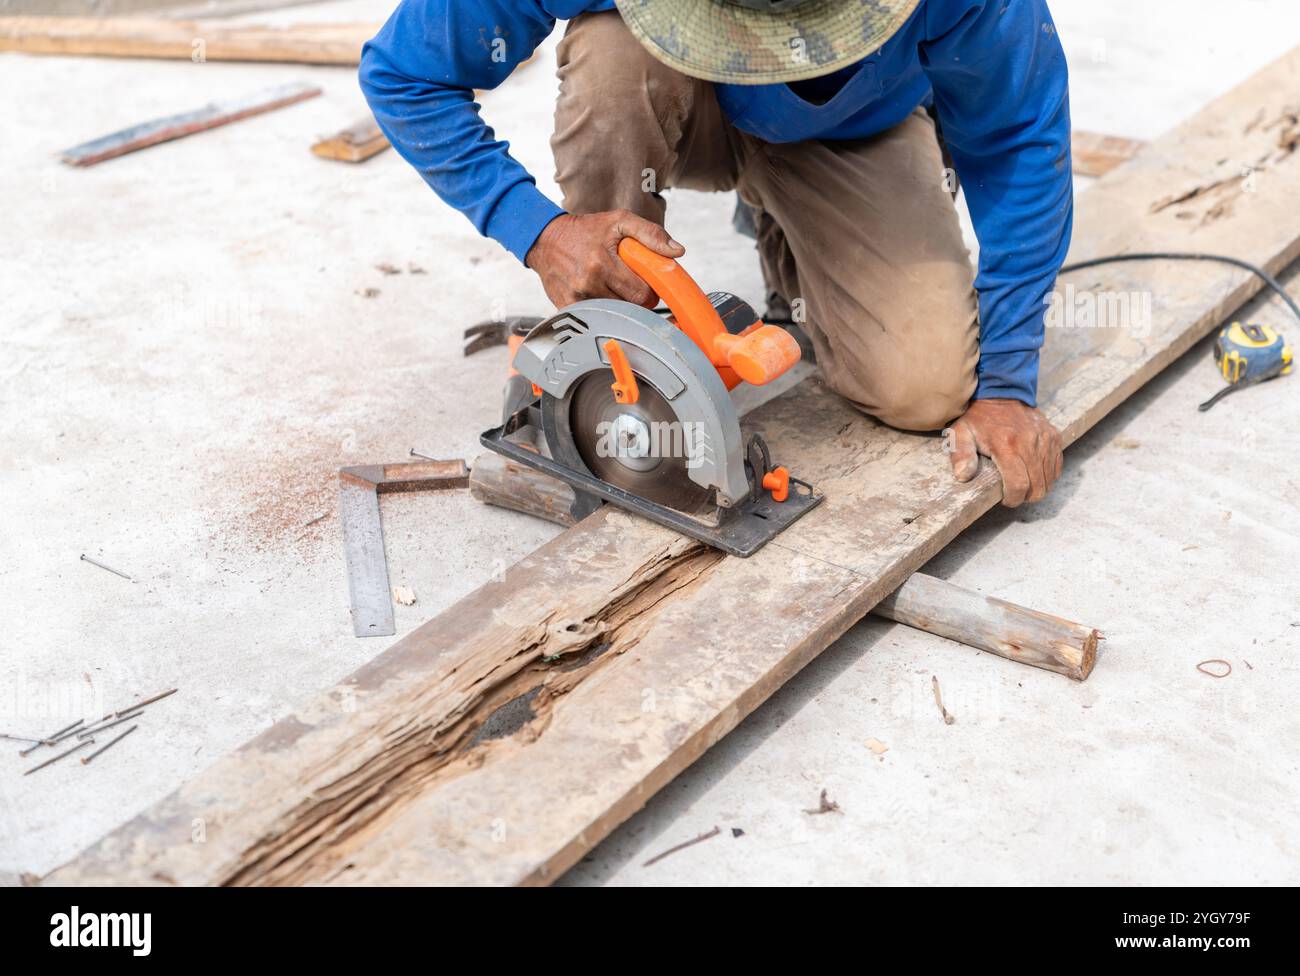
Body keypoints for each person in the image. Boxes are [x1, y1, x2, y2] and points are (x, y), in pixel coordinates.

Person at [360, 0, 1071, 506]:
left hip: (852, 128)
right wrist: (541, 232)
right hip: (683, 103)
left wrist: (1007, 384)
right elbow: (403, 74)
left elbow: (1020, 141)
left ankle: (790, 229)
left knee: (925, 390)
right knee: (613, 60)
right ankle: (608, 358)